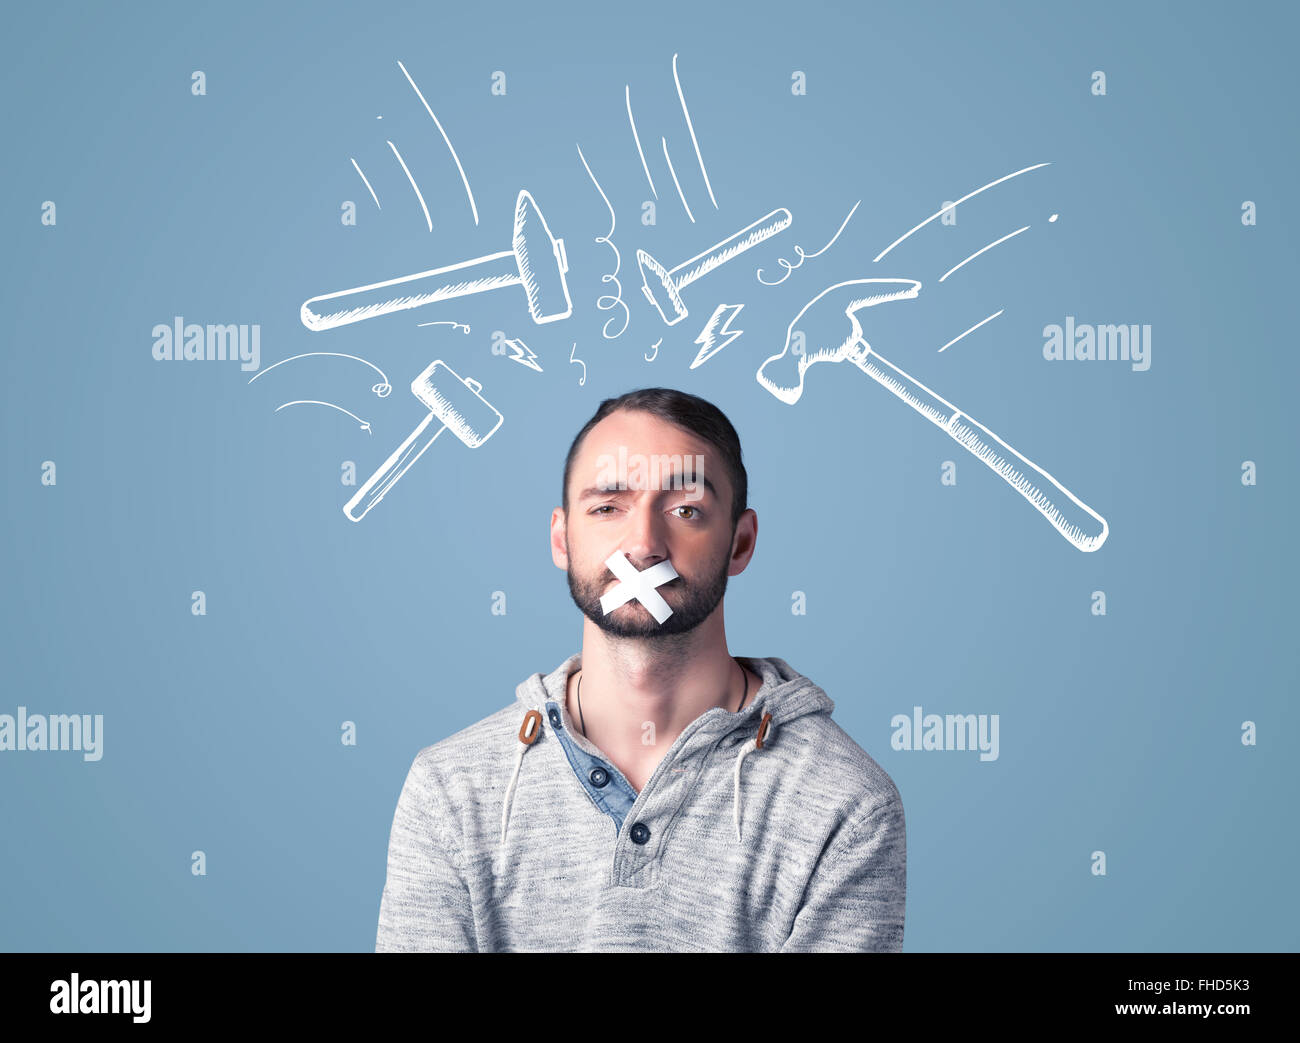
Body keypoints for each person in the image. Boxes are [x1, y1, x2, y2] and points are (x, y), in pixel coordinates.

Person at [375, 387, 906, 951]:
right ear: (562, 538)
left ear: (740, 543)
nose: (643, 544)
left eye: (685, 511)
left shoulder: (845, 801)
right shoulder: (452, 789)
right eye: (608, 507)